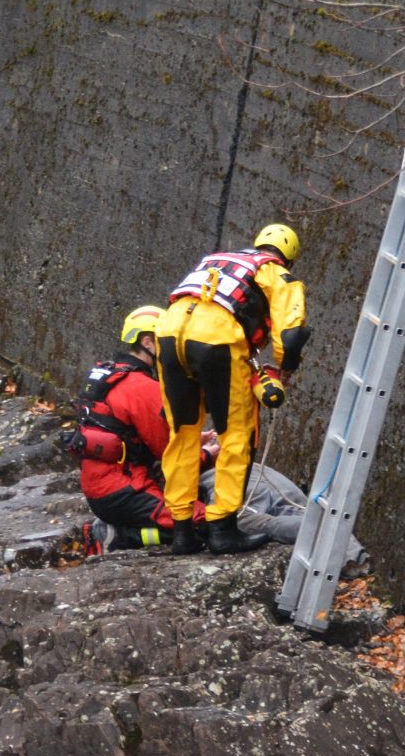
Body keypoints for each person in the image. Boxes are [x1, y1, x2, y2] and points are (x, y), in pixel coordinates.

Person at [155, 223, 309, 555]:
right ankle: (223, 528)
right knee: (236, 435)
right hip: (218, 340)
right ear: (289, 257)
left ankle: (182, 530)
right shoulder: (275, 272)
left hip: (167, 333)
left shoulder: (214, 259)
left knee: (182, 432)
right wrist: (285, 367)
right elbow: (292, 332)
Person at [77, 305, 177, 552]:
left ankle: (117, 528)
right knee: (195, 524)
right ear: (148, 343)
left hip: (99, 489)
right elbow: (170, 453)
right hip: (125, 490)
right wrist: (207, 454)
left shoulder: (108, 373)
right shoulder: (141, 387)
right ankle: (116, 537)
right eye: (168, 341)